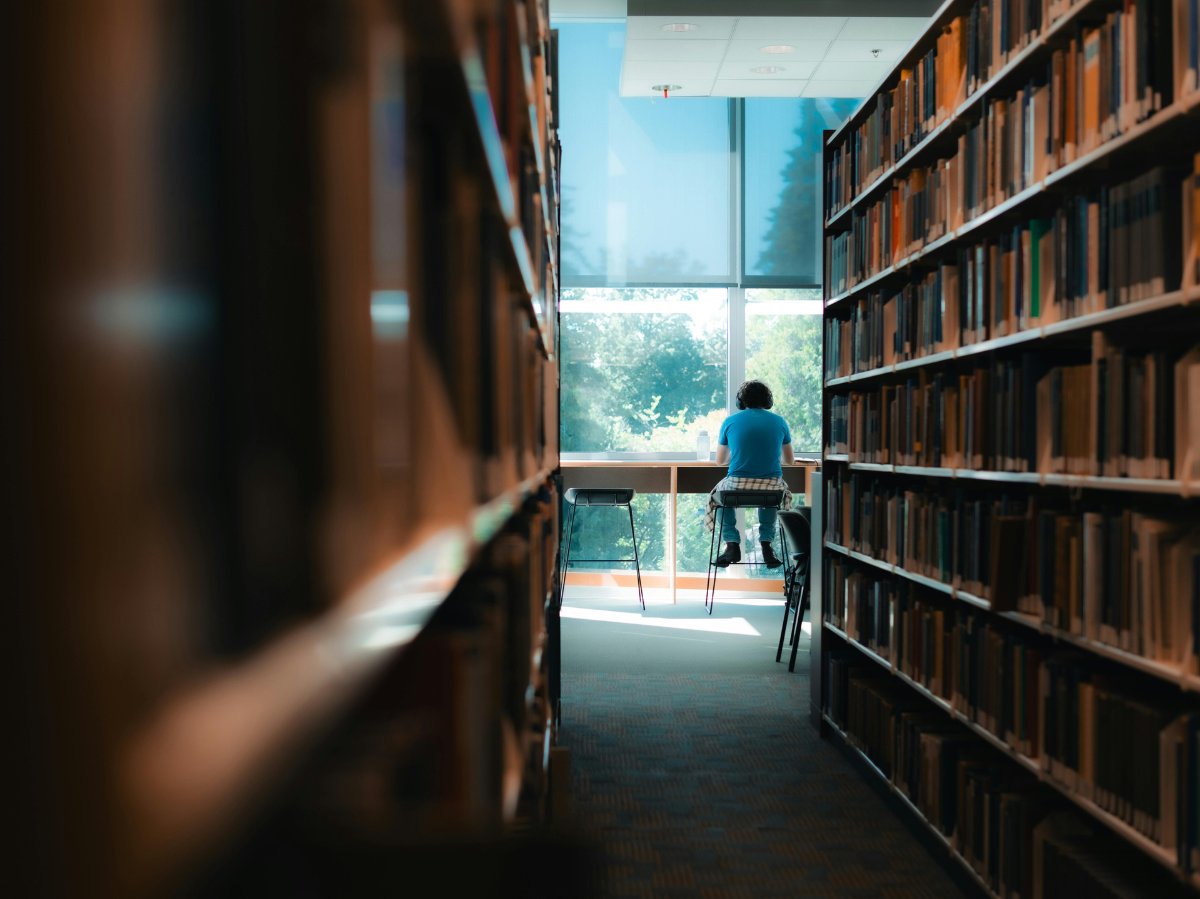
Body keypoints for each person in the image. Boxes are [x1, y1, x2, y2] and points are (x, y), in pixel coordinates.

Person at [705, 379, 794, 568]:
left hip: (737, 487)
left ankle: (731, 544)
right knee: (771, 493)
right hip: (771, 488)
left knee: (718, 495)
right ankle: (767, 545)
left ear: (741, 402)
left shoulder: (730, 422)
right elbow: (789, 461)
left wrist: (739, 453)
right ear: (768, 401)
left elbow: (720, 461)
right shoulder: (779, 421)